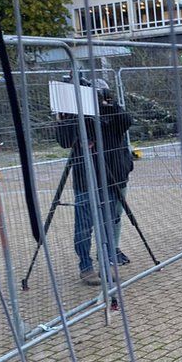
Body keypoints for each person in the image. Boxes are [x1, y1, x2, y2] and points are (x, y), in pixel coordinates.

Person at [56, 78, 134, 285]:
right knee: (83, 225)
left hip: (111, 176)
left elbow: (126, 121)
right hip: (85, 178)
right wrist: (65, 117)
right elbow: (64, 141)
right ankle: (85, 266)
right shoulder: (74, 114)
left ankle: (108, 263)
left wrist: (106, 103)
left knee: (108, 221)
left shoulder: (111, 114)